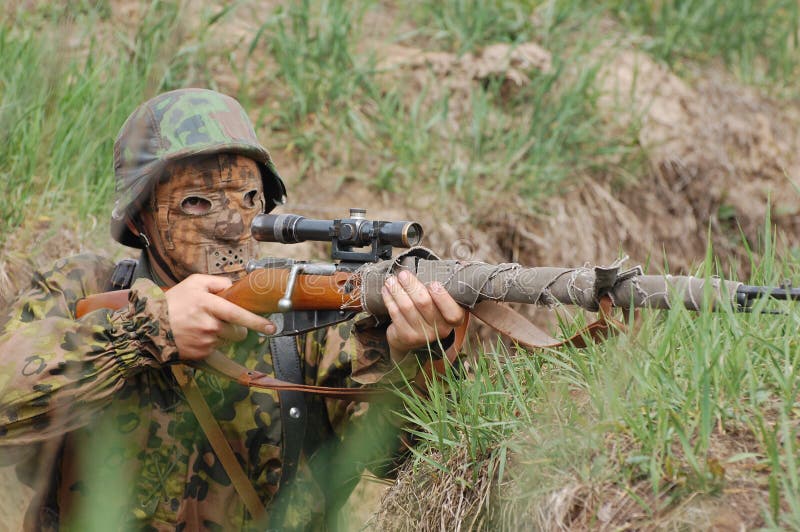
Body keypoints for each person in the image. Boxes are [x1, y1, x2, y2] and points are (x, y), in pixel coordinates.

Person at [0, 88, 465, 530]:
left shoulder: (305, 315)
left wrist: (417, 359)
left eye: (248, 199)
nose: (230, 225)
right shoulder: (86, 286)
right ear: (140, 217)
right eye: (196, 202)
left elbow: (401, 461)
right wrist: (148, 329)